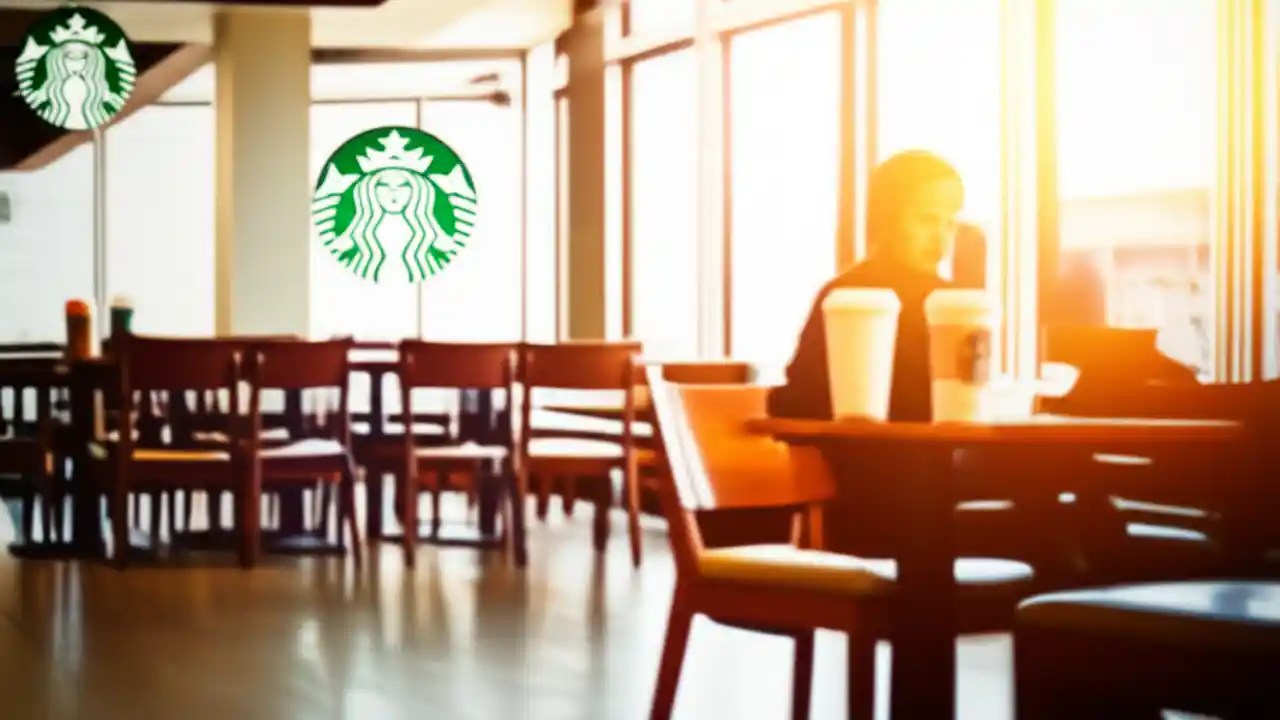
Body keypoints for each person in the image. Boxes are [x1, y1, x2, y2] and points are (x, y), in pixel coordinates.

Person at [768, 150, 964, 422]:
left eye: (951, 223)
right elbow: (800, 397)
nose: (940, 237)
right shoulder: (846, 297)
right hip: (863, 452)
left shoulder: (953, 304)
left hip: (941, 453)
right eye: (926, 220)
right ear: (887, 219)